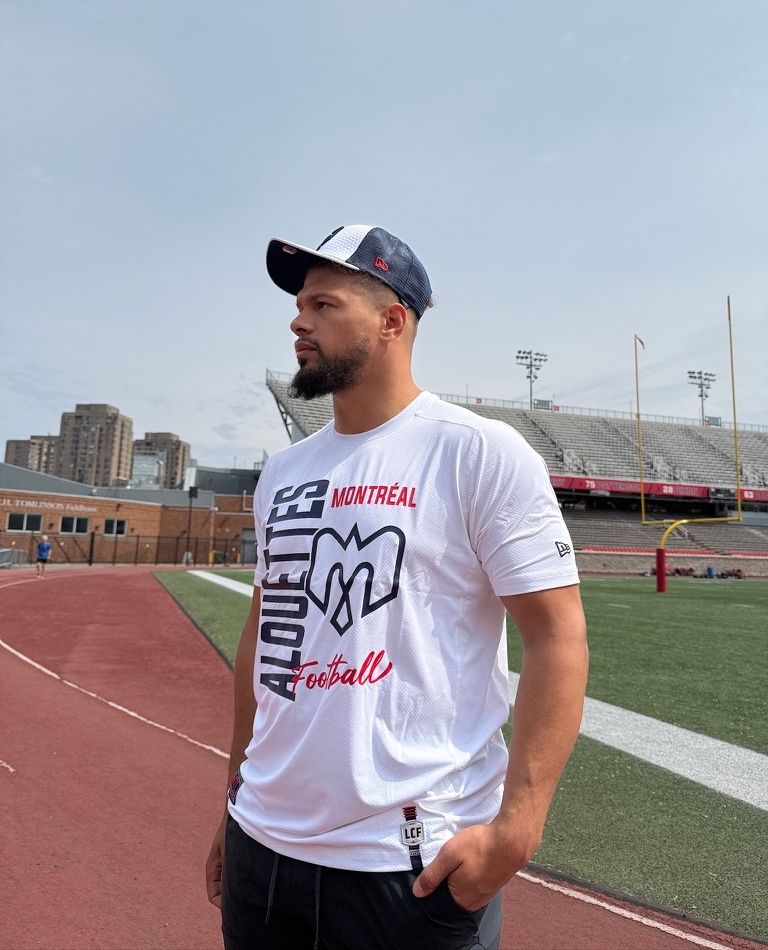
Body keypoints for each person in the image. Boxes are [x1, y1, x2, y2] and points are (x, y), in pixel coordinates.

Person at [206, 224, 589, 950]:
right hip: (263, 848)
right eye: (299, 304)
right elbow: (264, 637)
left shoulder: (477, 452)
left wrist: (518, 829)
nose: (297, 318)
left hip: (407, 871)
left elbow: (557, 634)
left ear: (391, 321)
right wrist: (235, 797)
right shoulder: (284, 473)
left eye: (323, 304)